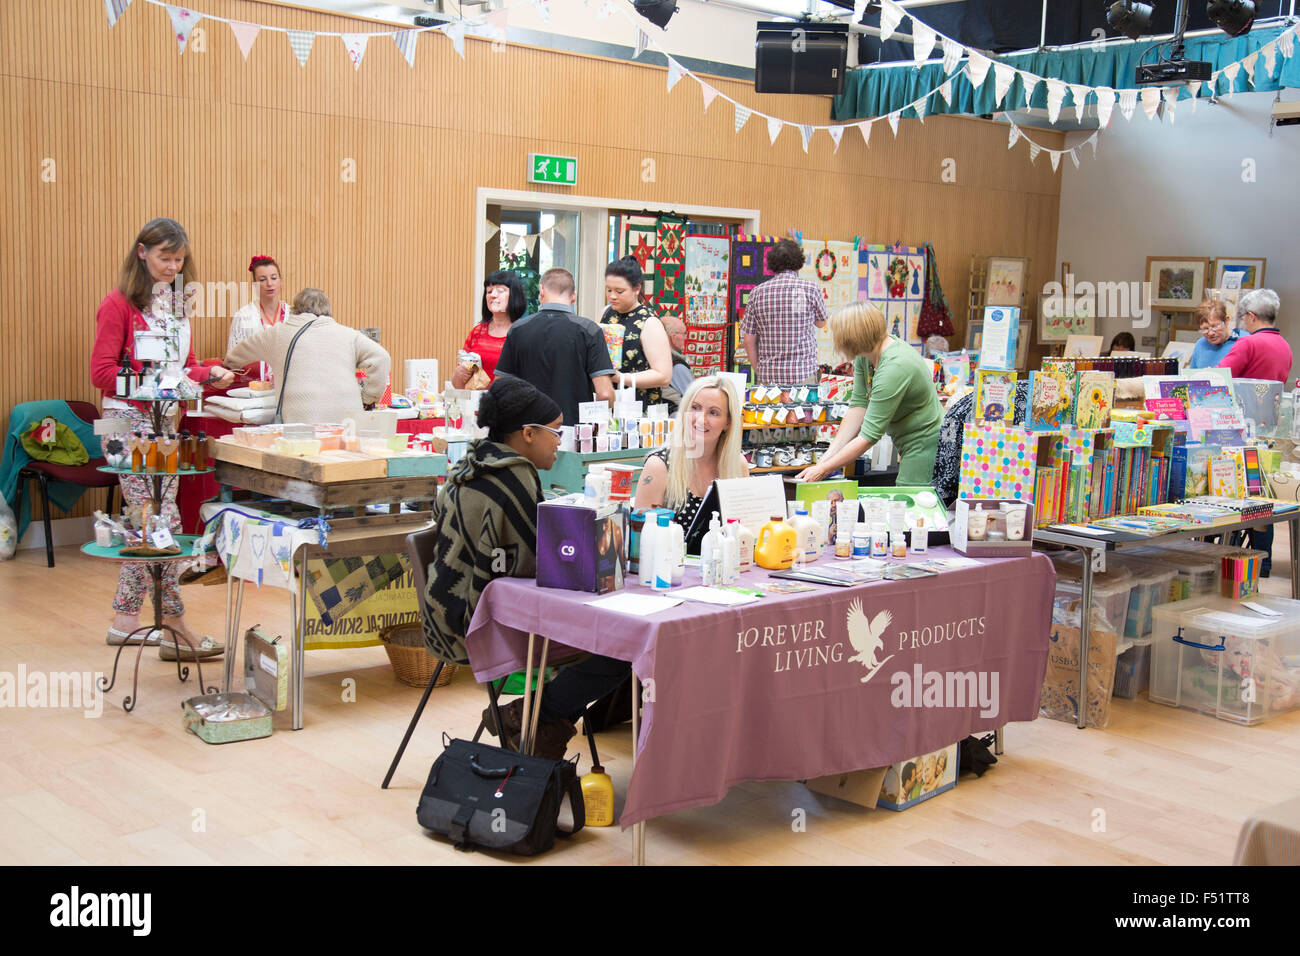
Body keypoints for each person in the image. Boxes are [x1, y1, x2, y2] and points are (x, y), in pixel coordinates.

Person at [89, 217, 234, 658]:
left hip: (165, 427)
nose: (173, 267)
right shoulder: (117, 305)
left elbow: (184, 367)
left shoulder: (176, 305)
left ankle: (126, 622)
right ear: (141, 252)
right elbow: (101, 373)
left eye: (179, 260)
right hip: (124, 427)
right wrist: (152, 380)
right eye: (164, 258)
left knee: (151, 526)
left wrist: (207, 374)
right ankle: (174, 626)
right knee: (160, 525)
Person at [422, 376, 562, 669]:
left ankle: (540, 712)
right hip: (476, 629)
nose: (559, 443)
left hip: (440, 619)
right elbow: (534, 563)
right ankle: (542, 711)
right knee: (604, 642)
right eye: (556, 432)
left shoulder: (469, 464)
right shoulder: (515, 476)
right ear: (528, 434)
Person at [795, 302, 942, 486]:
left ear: (853, 339)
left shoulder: (894, 367)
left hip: (925, 443)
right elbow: (858, 407)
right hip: (906, 440)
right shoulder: (867, 356)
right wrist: (824, 460)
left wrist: (824, 469)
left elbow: (868, 436)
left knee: (909, 501)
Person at [225, 288, 390, 423]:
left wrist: (227, 365)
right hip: (348, 420)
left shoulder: (276, 334)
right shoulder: (349, 335)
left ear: (295, 309)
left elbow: (237, 354)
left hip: (301, 421)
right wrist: (368, 397)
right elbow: (381, 357)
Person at [1218, 289, 1291, 575]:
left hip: (1241, 430)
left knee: (1239, 498)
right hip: (1269, 430)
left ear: (1250, 316)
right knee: (1262, 499)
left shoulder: (1249, 344)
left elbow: (1219, 377)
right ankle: (1264, 560)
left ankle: (1231, 557)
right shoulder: (1284, 346)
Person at [495, 267, 615, 424]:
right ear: (574, 297)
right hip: (574, 431)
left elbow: (500, 385)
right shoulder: (589, 330)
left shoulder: (518, 330)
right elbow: (605, 394)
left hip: (528, 430)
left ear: (541, 291)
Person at [634, 375, 749, 527]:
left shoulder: (737, 464)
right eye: (695, 408)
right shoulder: (659, 466)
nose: (701, 419)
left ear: (728, 422)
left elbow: (746, 527)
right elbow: (641, 536)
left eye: (713, 413)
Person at [739, 239, 828, 385]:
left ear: (772, 264)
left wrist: (758, 370)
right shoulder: (810, 289)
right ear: (799, 262)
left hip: (769, 376)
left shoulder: (756, 292)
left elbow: (748, 339)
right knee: (804, 409)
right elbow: (821, 322)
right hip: (803, 375)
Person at [601, 256, 672, 408]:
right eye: (609, 290)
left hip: (637, 406)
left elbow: (664, 376)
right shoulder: (606, 313)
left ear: (637, 289)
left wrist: (621, 378)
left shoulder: (649, 322)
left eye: (620, 291)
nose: (612, 296)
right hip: (607, 400)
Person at [451, 269, 527, 387]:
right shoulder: (477, 332)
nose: (493, 295)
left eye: (500, 291)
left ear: (514, 295)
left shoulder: (524, 332)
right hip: (478, 403)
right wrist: (459, 373)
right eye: (489, 291)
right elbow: (458, 385)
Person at [227, 255, 289, 382]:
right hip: (254, 389)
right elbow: (232, 361)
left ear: (281, 281)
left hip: (287, 389)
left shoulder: (293, 314)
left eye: (273, 278)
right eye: (262, 279)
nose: (269, 284)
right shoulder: (243, 316)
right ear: (254, 285)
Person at [1219, 289, 1292, 382]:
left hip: (1246, 396)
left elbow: (1221, 376)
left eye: (1244, 316)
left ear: (1252, 316)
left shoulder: (1248, 343)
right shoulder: (1285, 345)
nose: (1244, 320)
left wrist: (1207, 373)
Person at [1188, 299, 1240, 369]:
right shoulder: (1201, 344)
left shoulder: (1243, 341)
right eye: (1205, 329)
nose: (1210, 333)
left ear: (1226, 320)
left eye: (1215, 326)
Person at [658, 314, 695, 411]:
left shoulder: (656, 359)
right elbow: (694, 398)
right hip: (677, 416)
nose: (686, 337)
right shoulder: (676, 365)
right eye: (684, 333)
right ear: (673, 337)